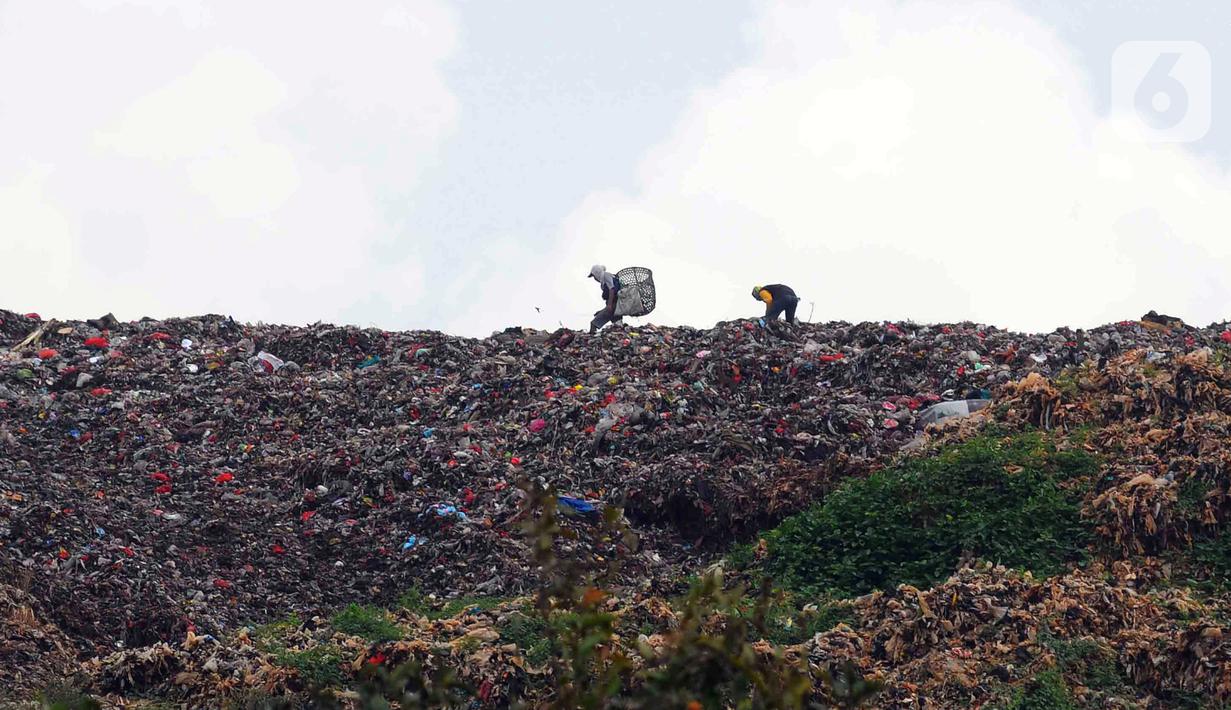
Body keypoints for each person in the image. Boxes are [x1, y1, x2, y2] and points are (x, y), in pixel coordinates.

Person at [588, 264, 623, 333]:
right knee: (617, 327)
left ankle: (590, 338)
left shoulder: (606, 275)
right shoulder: (604, 281)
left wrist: (609, 305)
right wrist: (601, 311)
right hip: (615, 306)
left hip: (615, 305)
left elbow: (611, 289)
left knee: (593, 324)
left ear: (597, 273)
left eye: (594, 276)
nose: (595, 279)